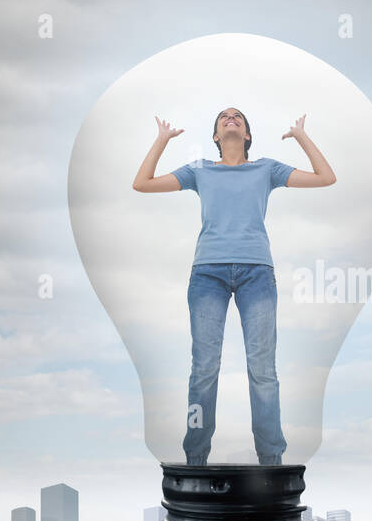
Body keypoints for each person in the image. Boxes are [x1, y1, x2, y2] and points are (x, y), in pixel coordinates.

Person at [133, 107, 336, 465]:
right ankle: (195, 457)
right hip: (207, 273)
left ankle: (271, 459)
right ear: (215, 136)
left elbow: (326, 178)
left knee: (262, 370)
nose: (230, 117)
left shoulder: (267, 169)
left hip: (256, 273)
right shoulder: (200, 169)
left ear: (246, 135)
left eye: (237, 116)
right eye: (223, 116)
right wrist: (162, 140)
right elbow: (142, 183)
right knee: (204, 369)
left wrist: (302, 137)